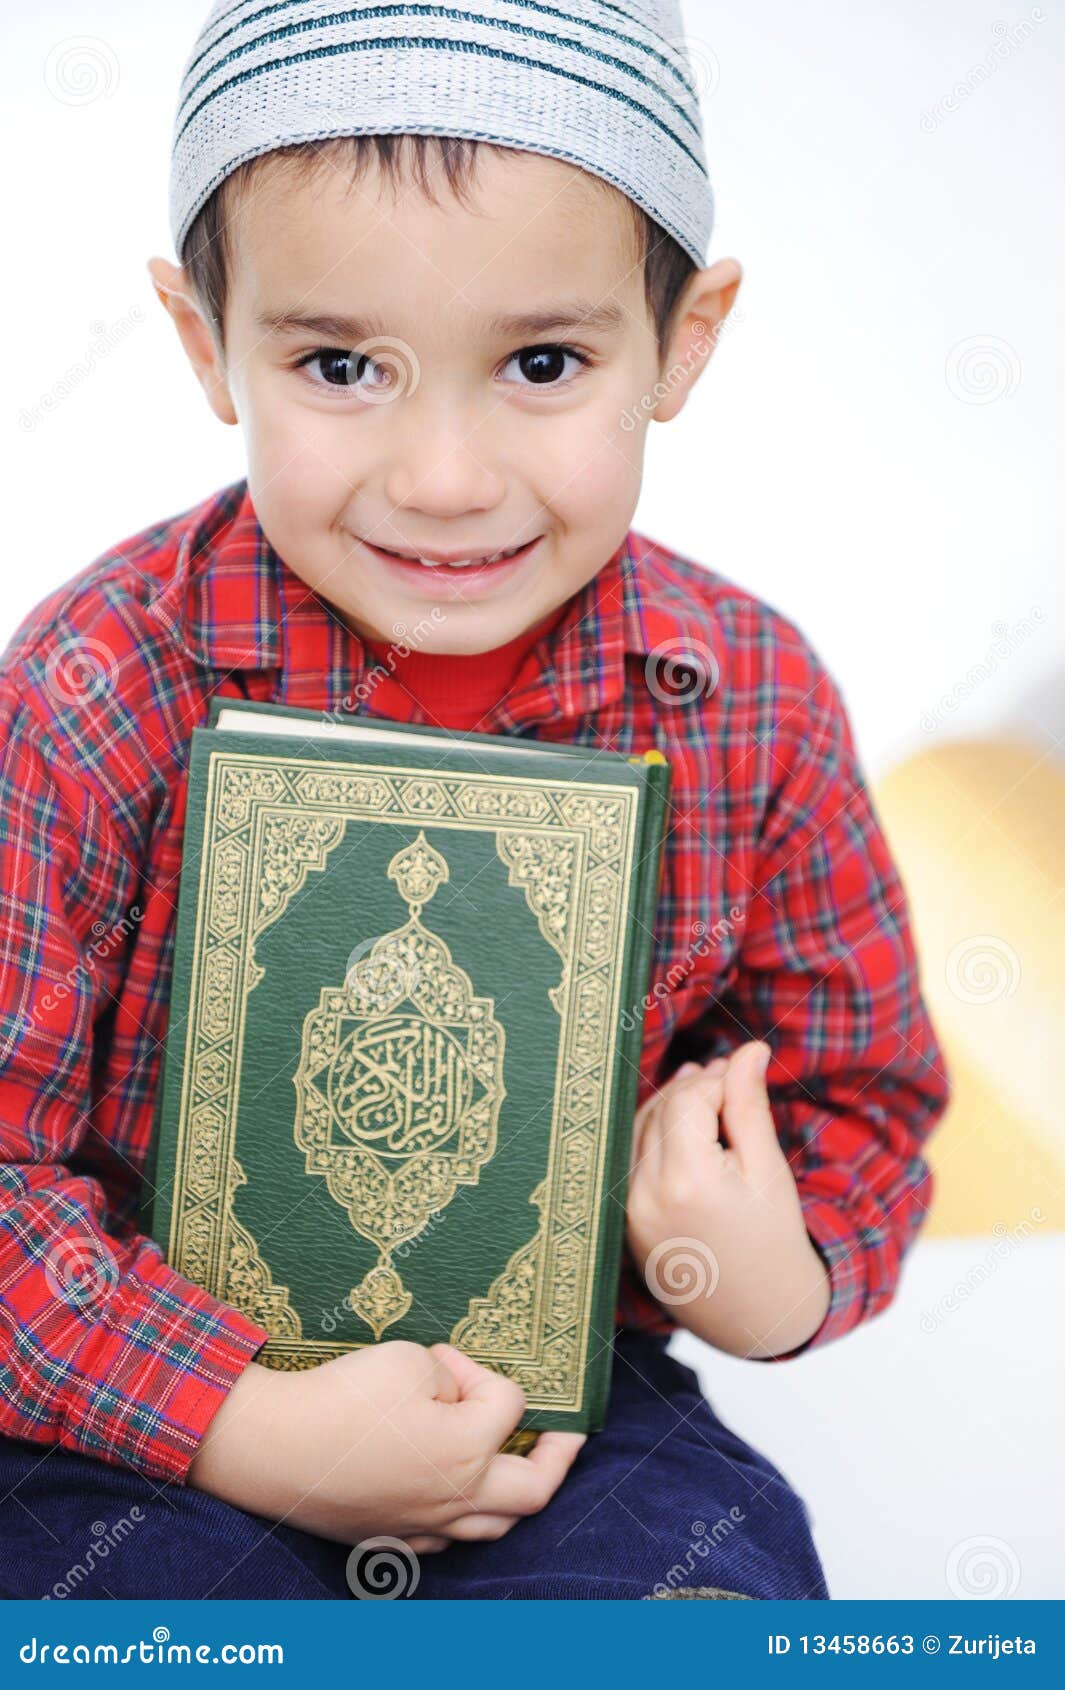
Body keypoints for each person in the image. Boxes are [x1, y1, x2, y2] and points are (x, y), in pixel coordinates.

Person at [0, 0, 951, 1601]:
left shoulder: (753, 701)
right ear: (202, 342)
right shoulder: (90, 694)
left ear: (683, 342)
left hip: (563, 1399)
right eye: (342, 364)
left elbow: (861, 1103)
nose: (444, 476)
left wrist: (763, 1270)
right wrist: (243, 1421)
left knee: (710, 1598)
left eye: (540, 362)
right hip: (135, 1401)